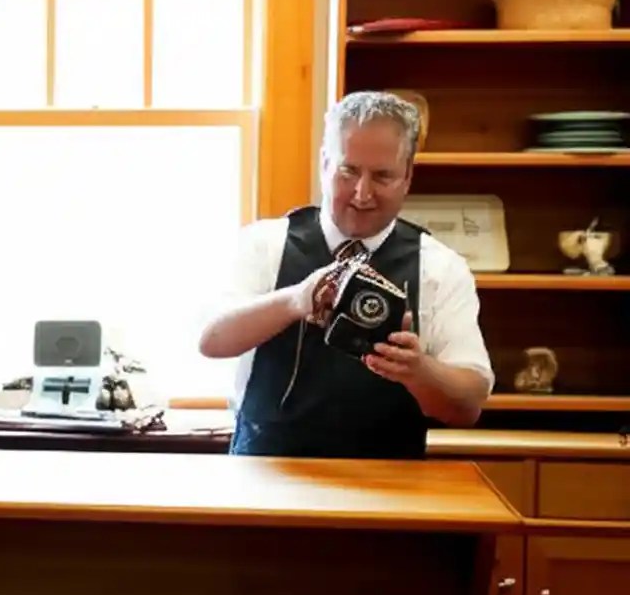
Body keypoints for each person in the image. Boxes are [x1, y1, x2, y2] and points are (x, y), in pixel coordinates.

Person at [198, 90, 494, 460]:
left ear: (407, 177)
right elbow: (210, 340)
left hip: (390, 486)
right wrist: (292, 301)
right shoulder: (264, 245)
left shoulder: (441, 268)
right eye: (348, 170)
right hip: (266, 476)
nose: (362, 193)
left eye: (383, 176)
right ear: (324, 164)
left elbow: (468, 407)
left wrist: (419, 371)